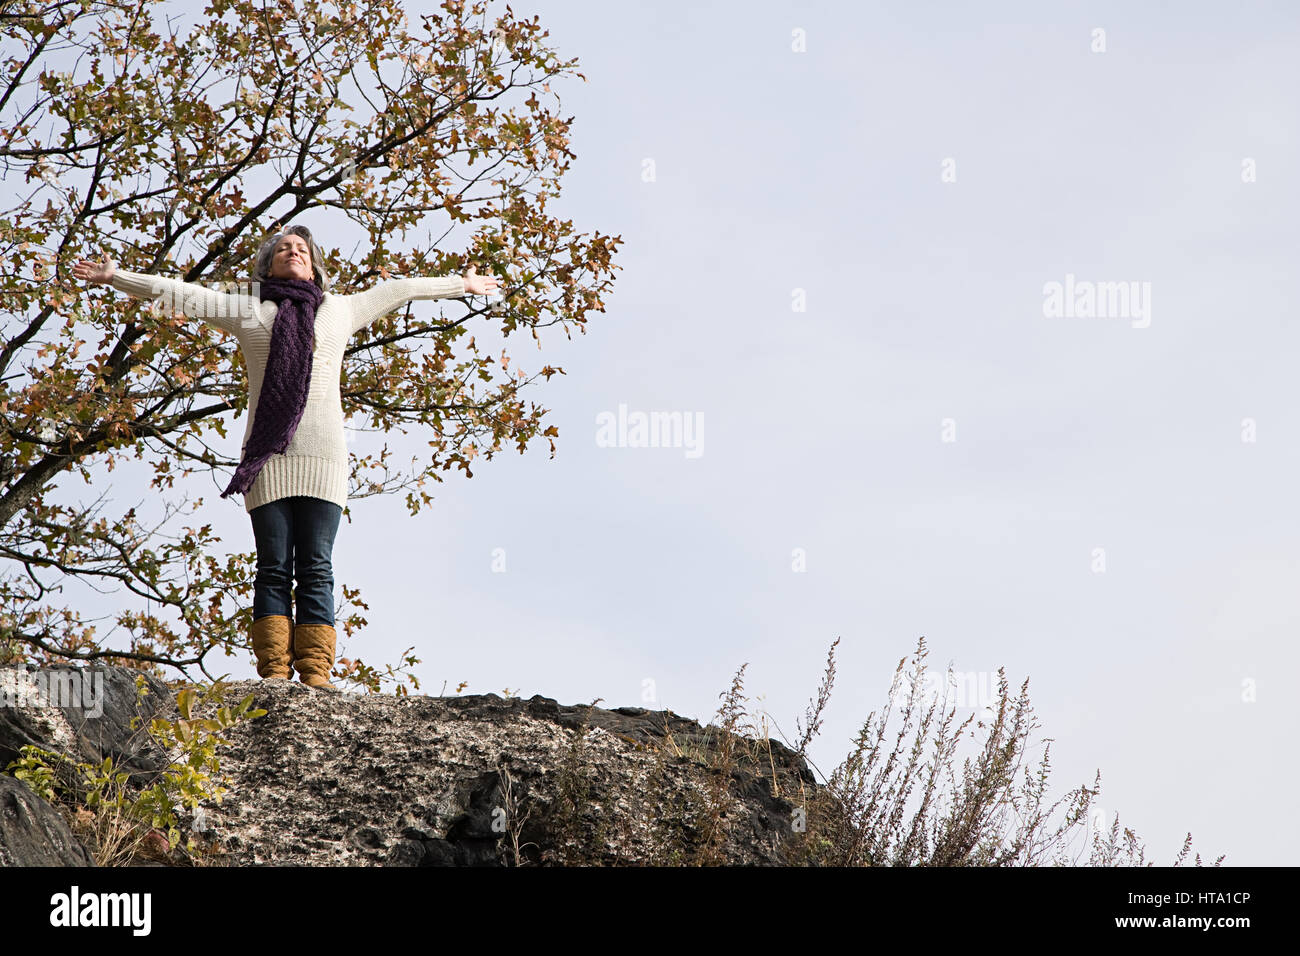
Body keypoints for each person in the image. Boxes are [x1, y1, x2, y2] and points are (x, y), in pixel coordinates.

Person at [71, 226, 498, 689]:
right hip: (267, 457)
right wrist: (116, 277)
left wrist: (462, 286)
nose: (293, 253)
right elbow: (180, 293)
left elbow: (400, 289)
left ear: (313, 264)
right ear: (267, 265)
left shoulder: (339, 309)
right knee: (273, 565)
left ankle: (316, 672)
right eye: (283, 250)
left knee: (316, 564)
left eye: (301, 249)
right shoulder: (249, 309)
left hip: (324, 458)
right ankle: (275, 670)